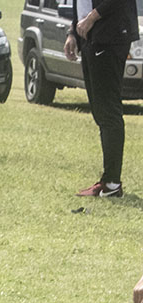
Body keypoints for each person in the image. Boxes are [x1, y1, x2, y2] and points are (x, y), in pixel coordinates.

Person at [66, 0, 139, 198]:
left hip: (110, 36)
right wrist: (72, 32)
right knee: (100, 111)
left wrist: (92, 17)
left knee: (108, 110)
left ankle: (112, 183)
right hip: (90, 38)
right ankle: (108, 180)